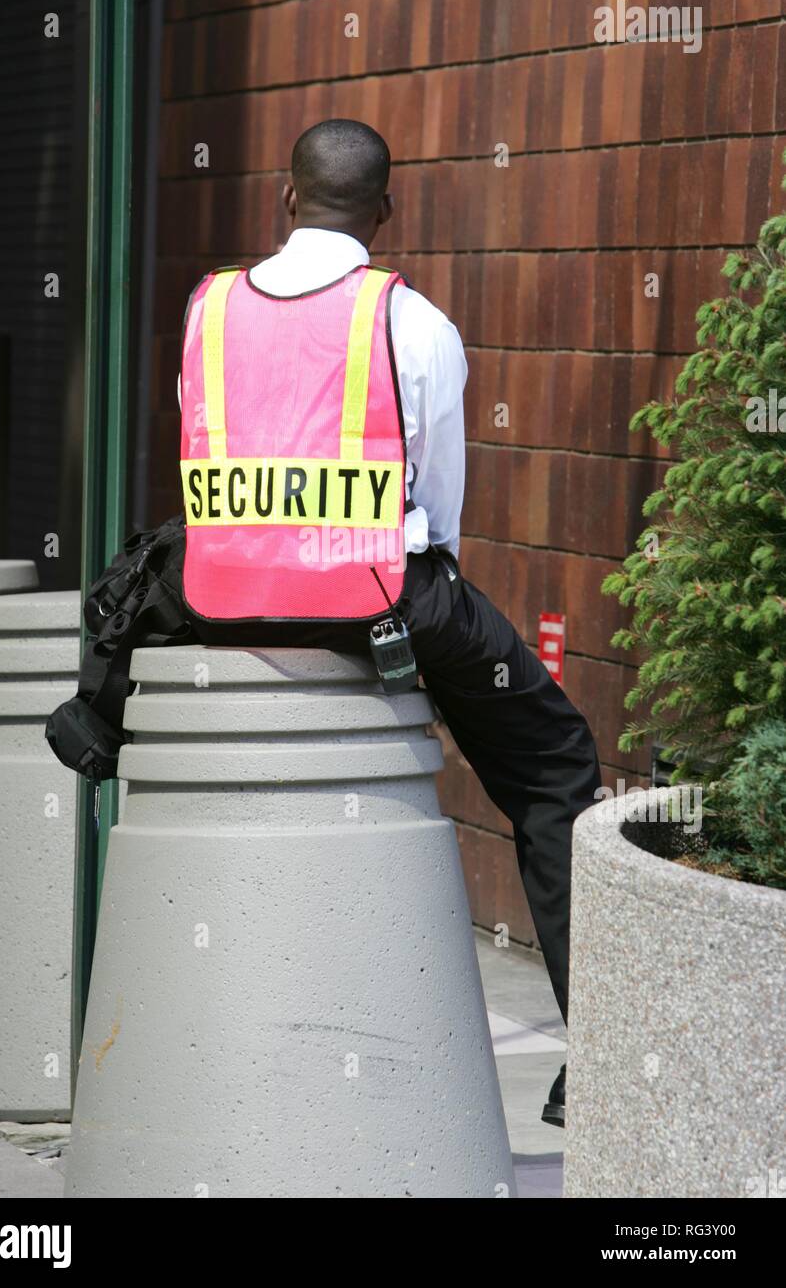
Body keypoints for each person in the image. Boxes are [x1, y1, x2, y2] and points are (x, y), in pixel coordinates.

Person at [177, 119, 601, 1128]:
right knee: (553, 768)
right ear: (385, 209)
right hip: (376, 594)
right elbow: (439, 510)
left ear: (285, 200)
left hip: (223, 593)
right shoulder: (412, 322)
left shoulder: (209, 308)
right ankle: (599, 1054)